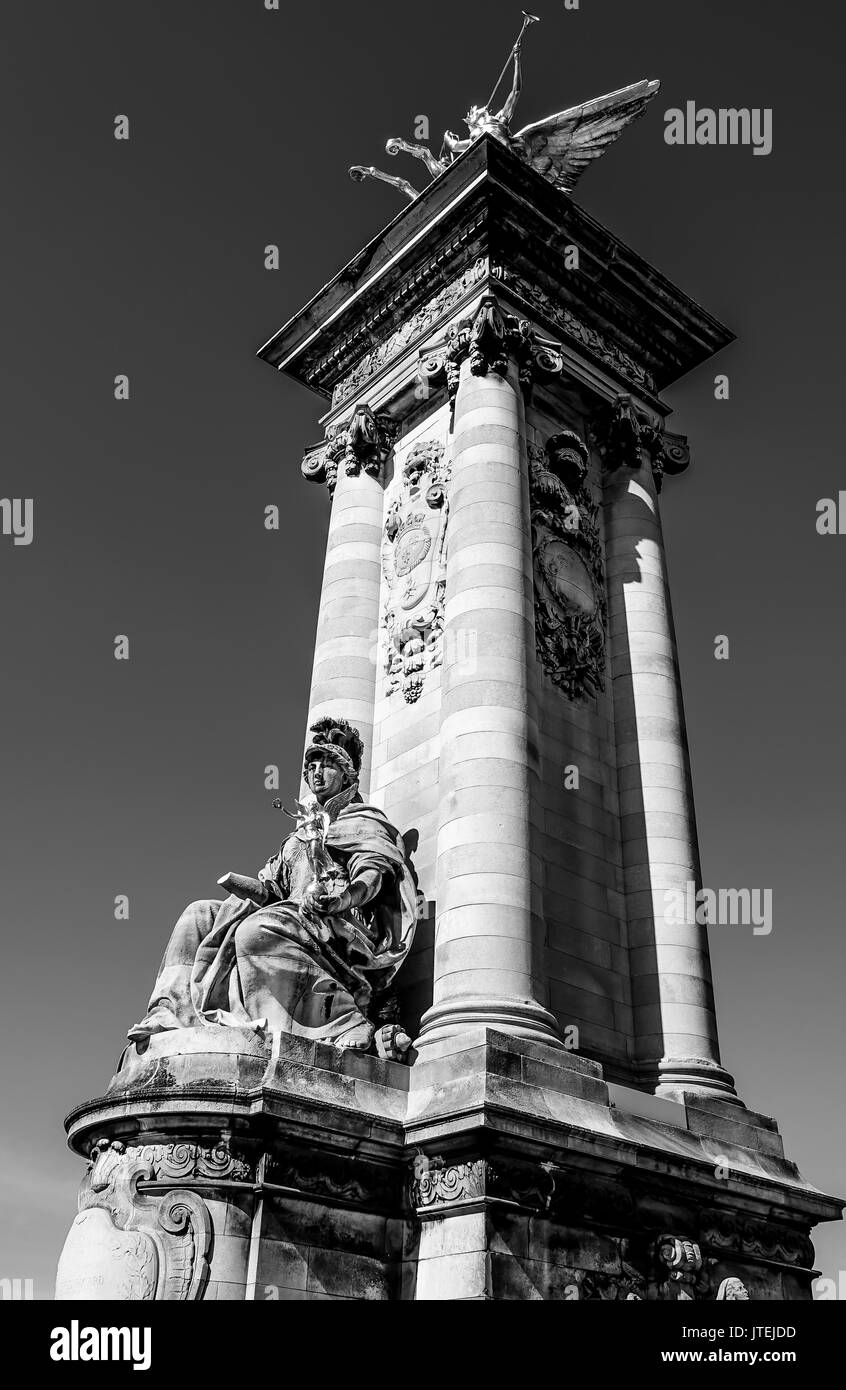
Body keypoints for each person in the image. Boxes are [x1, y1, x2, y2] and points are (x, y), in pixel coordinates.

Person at [127, 718, 417, 1052]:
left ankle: (341, 1020)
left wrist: (340, 899)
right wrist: (242, 886)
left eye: (327, 765)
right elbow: (272, 889)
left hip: (338, 924)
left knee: (257, 928)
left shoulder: (361, 819)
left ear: (348, 773)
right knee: (198, 914)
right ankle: (171, 1012)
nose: (316, 773)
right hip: (292, 916)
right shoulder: (298, 834)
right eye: (311, 766)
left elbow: (373, 873)